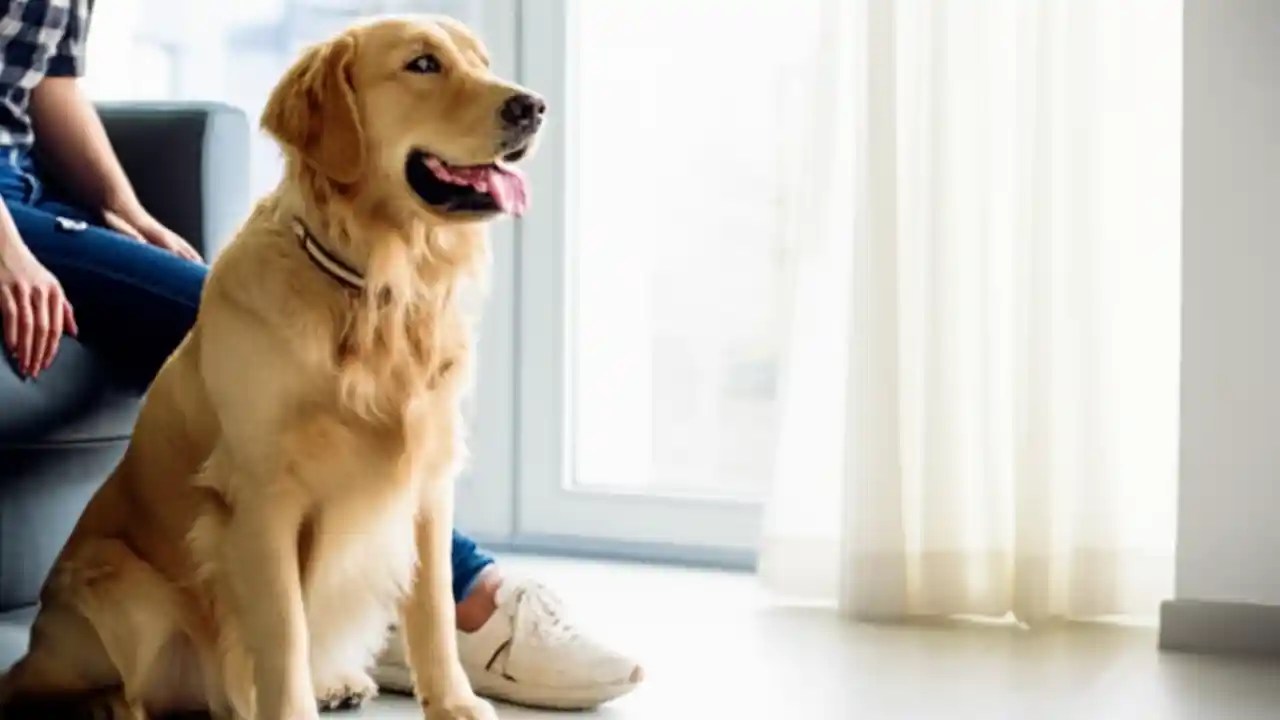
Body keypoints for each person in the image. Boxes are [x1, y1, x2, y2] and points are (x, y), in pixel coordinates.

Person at [0, 0, 641, 710]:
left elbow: (45, 81)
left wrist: (129, 209)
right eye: (427, 68)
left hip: (32, 183)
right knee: (211, 313)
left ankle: (365, 615)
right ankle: (469, 601)